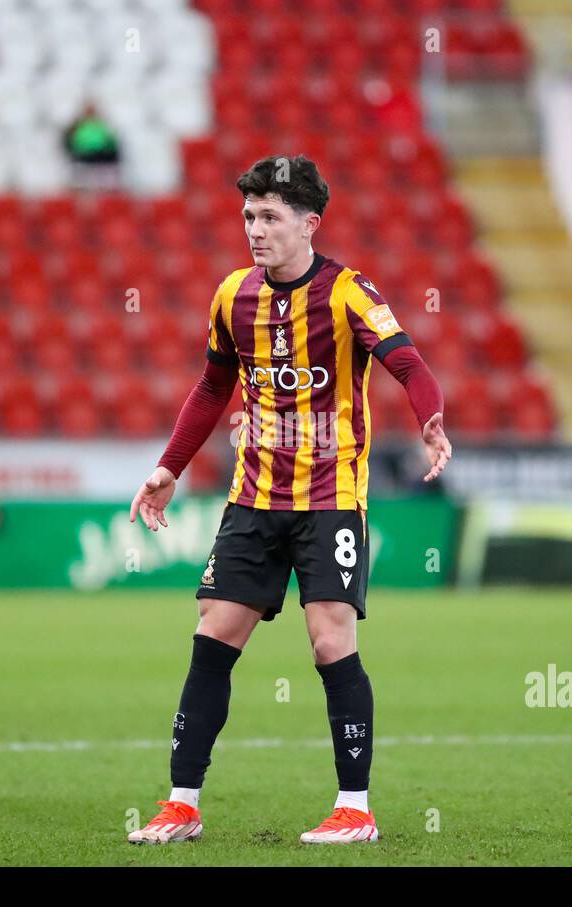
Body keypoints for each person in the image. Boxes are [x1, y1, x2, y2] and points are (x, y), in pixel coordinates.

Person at [126, 154, 450, 845]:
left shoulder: (347, 292)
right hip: (253, 498)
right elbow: (213, 387)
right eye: (249, 215)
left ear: (309, 223)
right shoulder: (232, 295)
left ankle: (354, 809)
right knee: (213, 636)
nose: (255, 228)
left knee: (330, 639)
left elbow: (407, 360)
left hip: (332, 496)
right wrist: (169, 466)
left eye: (270, 216)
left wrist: (429, 417)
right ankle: (183, 803)